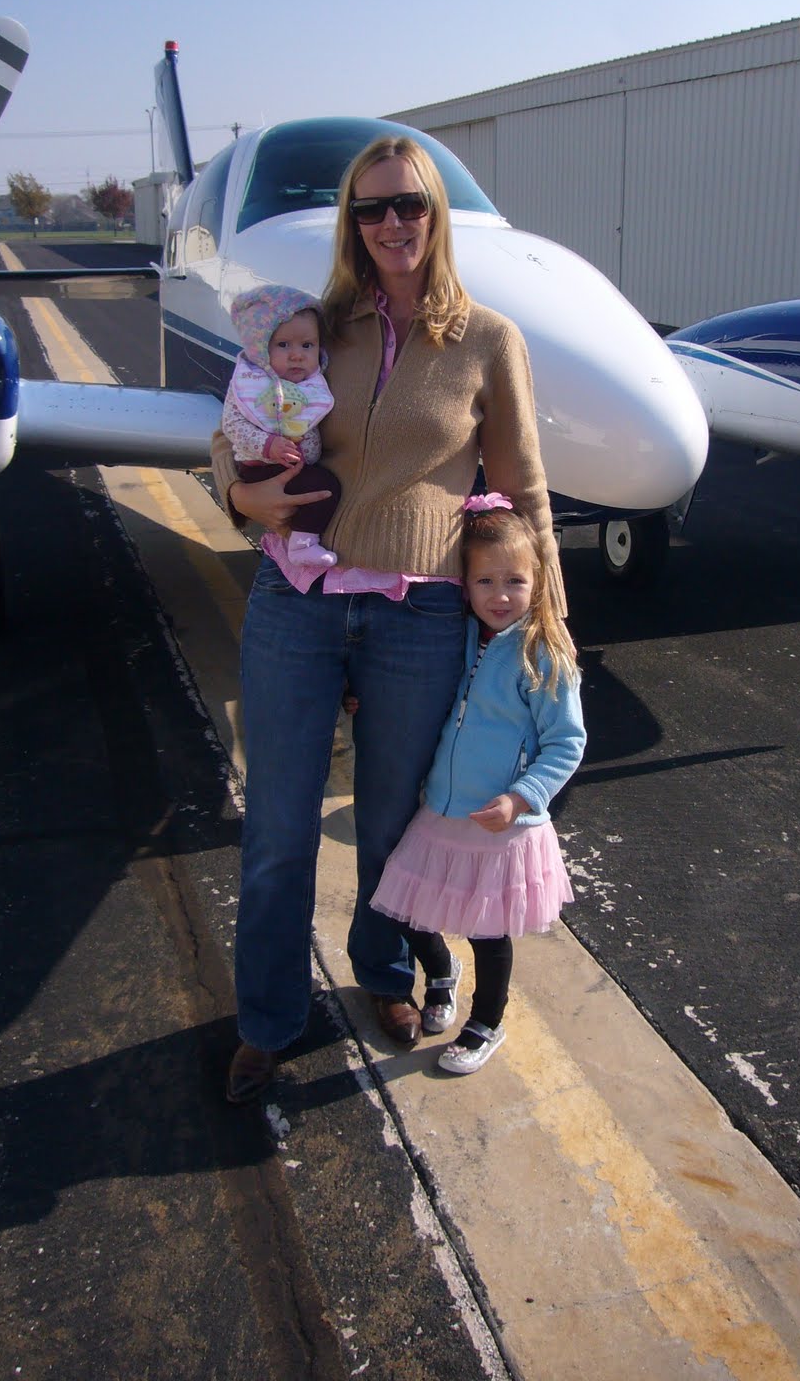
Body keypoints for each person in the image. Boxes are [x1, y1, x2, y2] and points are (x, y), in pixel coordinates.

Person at [210, 133, 565, 1105]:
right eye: (371, 209)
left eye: (408, 203)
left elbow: (525, 490)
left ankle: (384, 971)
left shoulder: (490, 339)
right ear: (351, 225)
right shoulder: (314, 327)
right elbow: (232, 431)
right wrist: (241, 502)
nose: (392, 223)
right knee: (278, 830)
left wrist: (552, 631)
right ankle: (269, 1018)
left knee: (391, 826)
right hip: (299, 605)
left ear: (436, 213)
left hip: (419, 617)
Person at [370, 497, 585, 1073]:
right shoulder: (463, 635)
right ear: (464, 584)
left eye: (515, 580)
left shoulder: (544, 652)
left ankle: (486, 1021)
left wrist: (521, 798)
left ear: (538, 580)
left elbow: (567, 742)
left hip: (500, 823)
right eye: (484, 580)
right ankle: (440, 969)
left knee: (489, 934)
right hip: (440, 810)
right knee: (407, 908)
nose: (499, 594)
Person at [220, 284, 341, 567]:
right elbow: (232, 425)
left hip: (292, 466)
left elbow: (309, 431)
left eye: (307, 345)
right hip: (258, 467)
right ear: (260, 349)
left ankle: (302, 543)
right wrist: (268, 445)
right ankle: (301, 544)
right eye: (283, 345)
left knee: (324, 486)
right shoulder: (250, 384)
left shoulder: (308, 387)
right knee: (323, 487)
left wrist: (305, 451)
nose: (297, 355)